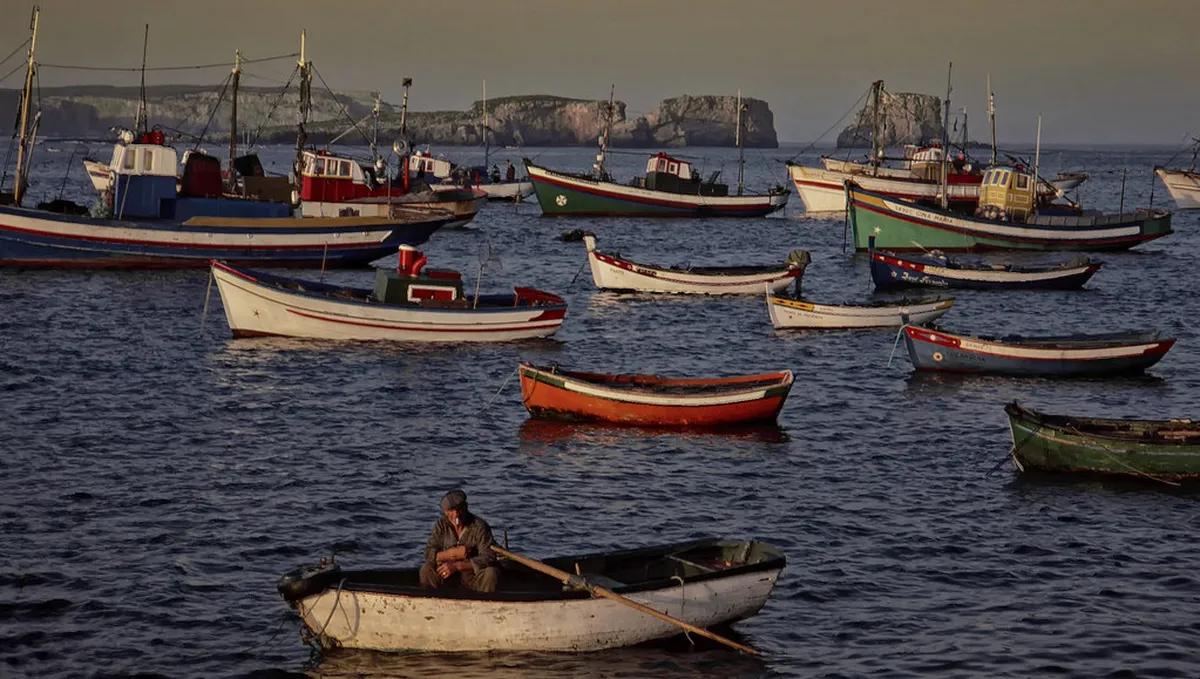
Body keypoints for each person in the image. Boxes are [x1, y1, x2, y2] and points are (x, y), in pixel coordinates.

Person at [419, 489, 500, 593]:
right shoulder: (441, 526)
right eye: (451, 511)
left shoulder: (479, 526)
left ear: (466, 507)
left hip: (472, 576)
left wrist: (458, 566)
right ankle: (432, 600)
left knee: (491, 573)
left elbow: (488, 557)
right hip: (447, 576)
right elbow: (428, 553)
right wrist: (451, 554)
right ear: (445, 512)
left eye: (459, 509)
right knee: (426, 569)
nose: (456, 514)